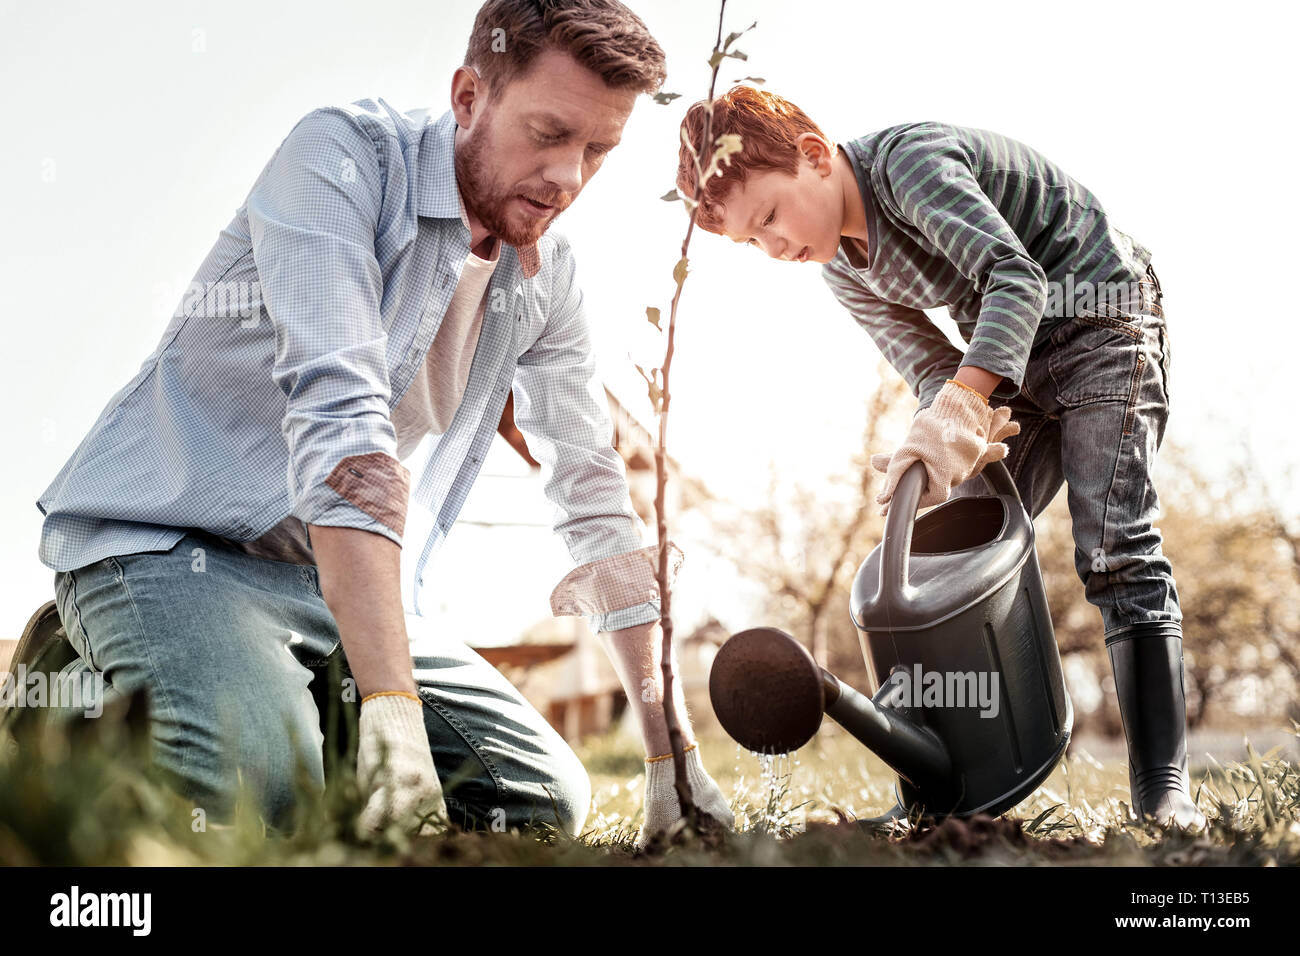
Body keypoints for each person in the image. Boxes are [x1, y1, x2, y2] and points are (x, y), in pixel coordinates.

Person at [33, 0, 732, 848]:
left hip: (334, 586)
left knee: (539, 801)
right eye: (548, 133)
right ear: (470, 94)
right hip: (172, 547)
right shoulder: (340, 160)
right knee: (265, 800)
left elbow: (591, 489)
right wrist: (395, 718)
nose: (568, 177)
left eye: (598, 149)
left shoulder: (548, 278)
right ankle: (81, 683)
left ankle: (303, 712)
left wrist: (669, 755)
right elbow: (341, 420)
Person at [673, 85, 1207, 831]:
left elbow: (1016, 278)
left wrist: (963, 403)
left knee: (1115, 547)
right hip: (1014, 366)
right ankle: (946, 784)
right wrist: (940, 436)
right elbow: (932, 370)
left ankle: (1163, 787)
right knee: (948, 557)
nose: (773, 247)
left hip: (1102, 325)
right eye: (750, 242)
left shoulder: (910, 166)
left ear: (815, 156)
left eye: (768, 217)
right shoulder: (839, 269)